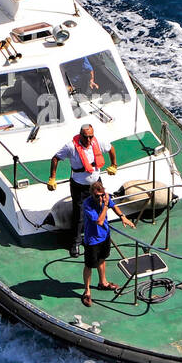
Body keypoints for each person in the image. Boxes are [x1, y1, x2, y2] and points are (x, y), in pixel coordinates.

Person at [48, 124, 118, 253]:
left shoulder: (98, 143)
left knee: (101, 209)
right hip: (79, 186)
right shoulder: (71, 147)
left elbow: (111, 148)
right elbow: (56, 158)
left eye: (91, 136)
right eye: (86, 137)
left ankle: (101, 237)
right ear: (80, 135)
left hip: (96, 185)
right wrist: (52, 178)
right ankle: (75, 243)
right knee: (79, 214)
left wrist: (114, 165)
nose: (89, 140)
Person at [80, 179, 135, 306]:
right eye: (97, 195)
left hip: (104, 236)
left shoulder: (105, 197)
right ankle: (87, 291)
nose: (100, 197)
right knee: (89, 265)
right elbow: (99, 221)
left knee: (102, 259)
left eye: (102, 194)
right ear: (92, 194)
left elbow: (113, 205)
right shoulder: (87, 204)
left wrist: (122, 216)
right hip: (92, 240)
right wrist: (104, 205)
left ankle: (102, 283)